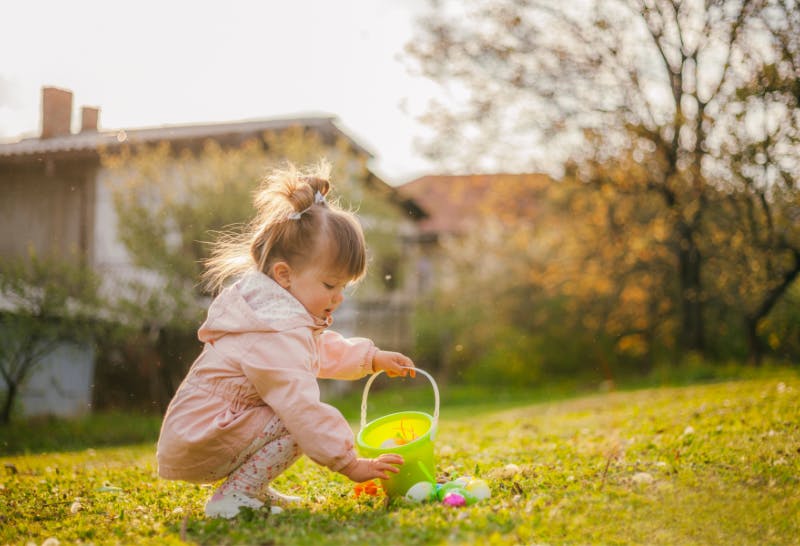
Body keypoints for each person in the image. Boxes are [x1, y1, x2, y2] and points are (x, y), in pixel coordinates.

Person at [156, 160, 415, 518]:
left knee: (291, 414)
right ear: (284, 275)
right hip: (203, 437)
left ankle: (250, 488)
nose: (338, 297)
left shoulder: (275, 315)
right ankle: (235, 496)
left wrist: (370, 358)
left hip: (202, 432)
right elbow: (300, 405)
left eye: (343, 286)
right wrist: (349, 463)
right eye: (330, 284)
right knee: (296, 417)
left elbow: (315, 350)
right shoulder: (274, 330)